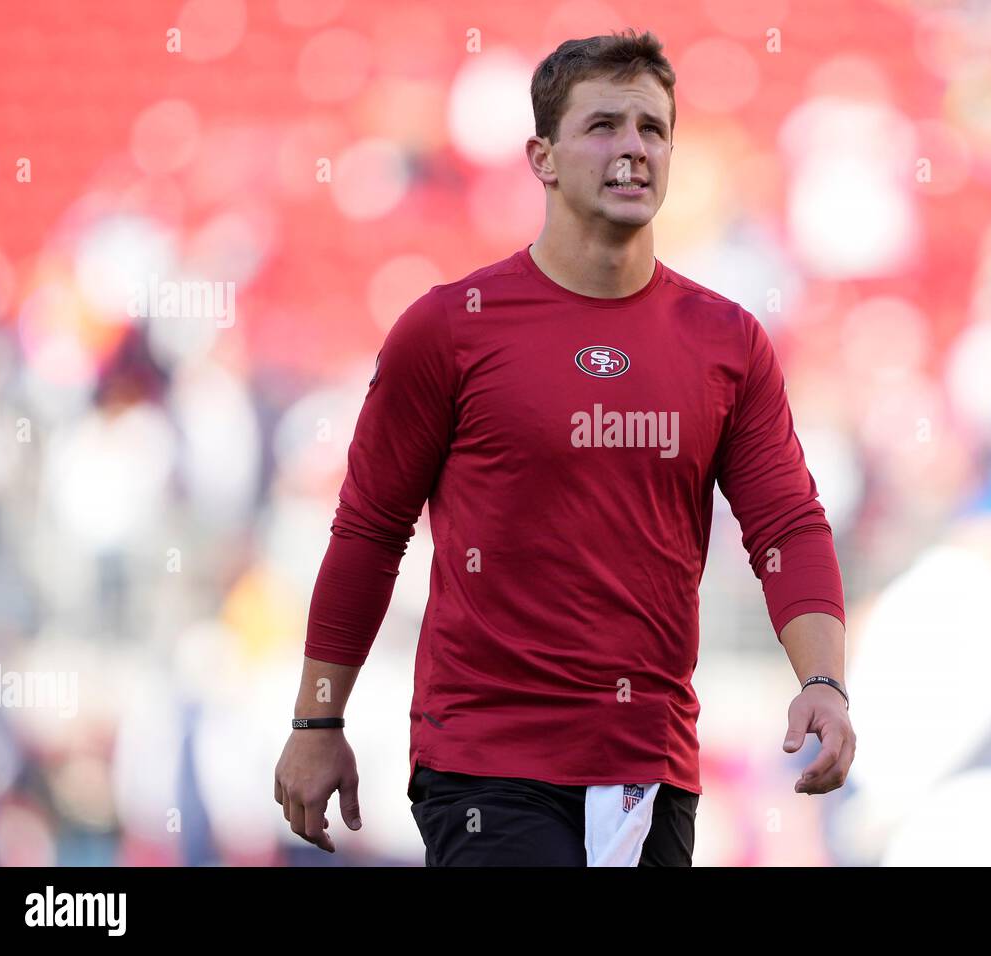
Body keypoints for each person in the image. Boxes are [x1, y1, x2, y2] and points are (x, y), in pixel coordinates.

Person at [273, 28, 854, 867]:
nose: (632, 149)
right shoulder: (447, 330)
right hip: (486, 766)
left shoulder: (728, 343)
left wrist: (824, 683)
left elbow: (787, 528)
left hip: (651, 765)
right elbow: (368, 533)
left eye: (652, 129)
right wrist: (317, 720)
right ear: (542, 158)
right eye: (604, 126)